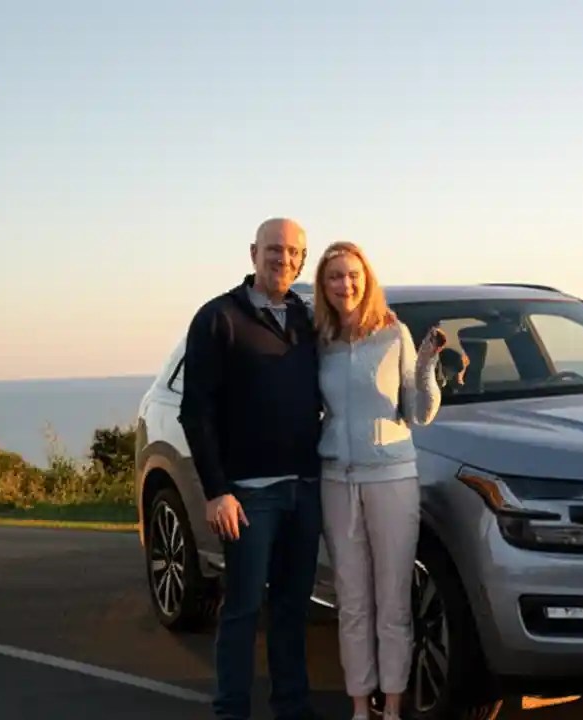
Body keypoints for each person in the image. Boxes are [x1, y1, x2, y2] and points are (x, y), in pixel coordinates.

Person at [178, 218, 324, 720]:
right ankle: (230, 710)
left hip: (306, 490)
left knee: (291, 609)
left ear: (302, 260)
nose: (283, 259)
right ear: (252, 253)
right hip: (248, 495)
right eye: (273, 250)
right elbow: (194, 412)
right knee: (241, 610)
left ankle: (292, 708)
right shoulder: (218, 318)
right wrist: (218, 491)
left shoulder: (306, 319)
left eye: (292, 252)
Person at [312, 241, 444, 720]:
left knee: (392, 601)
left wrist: (429, 364)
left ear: (366, 280)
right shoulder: (319, 341)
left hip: (391, 477)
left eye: (352, 275)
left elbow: (418, 411)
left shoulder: (394, 335)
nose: (345, 284)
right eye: (334, 277)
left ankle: (391, 706)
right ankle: (358, 708)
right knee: (351, 601)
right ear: (323, 287)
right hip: (335, 479)